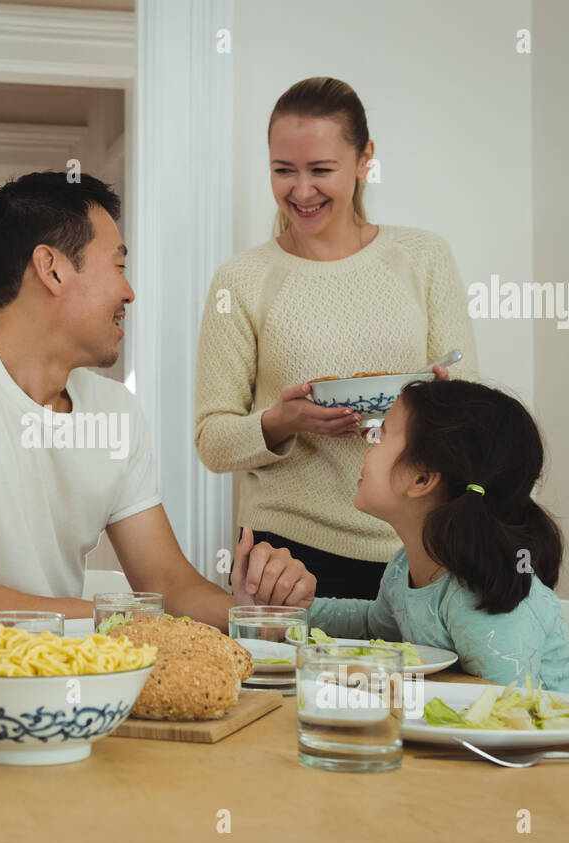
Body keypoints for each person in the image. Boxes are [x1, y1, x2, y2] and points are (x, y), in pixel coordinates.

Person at [0, 172, 315, 637]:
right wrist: (114, 618)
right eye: (118, 267)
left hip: (67, 685)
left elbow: (168, 585)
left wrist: (252, 616)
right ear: (52, 268)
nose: (130, 292)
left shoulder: (116, 410)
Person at [195, 76, 479, 600]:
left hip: (415, 547)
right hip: (285, 551)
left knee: (417, 684)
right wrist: (281, 423)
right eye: (284, 171)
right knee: (287, 685)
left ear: (364, 159)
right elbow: (212, 439)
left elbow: (469, 408)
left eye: (321, 170)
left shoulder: (424, 257)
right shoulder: (241, 279)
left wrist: (438, 403)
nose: (301, 191)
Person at [307, 378, 569, 693]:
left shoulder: (480, 592)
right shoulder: (404, 567)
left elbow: (508, 707)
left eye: (380, 436)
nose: (367, 446)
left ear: (422, 479)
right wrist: (295, 612)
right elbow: (375, 627)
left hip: (543, 739)